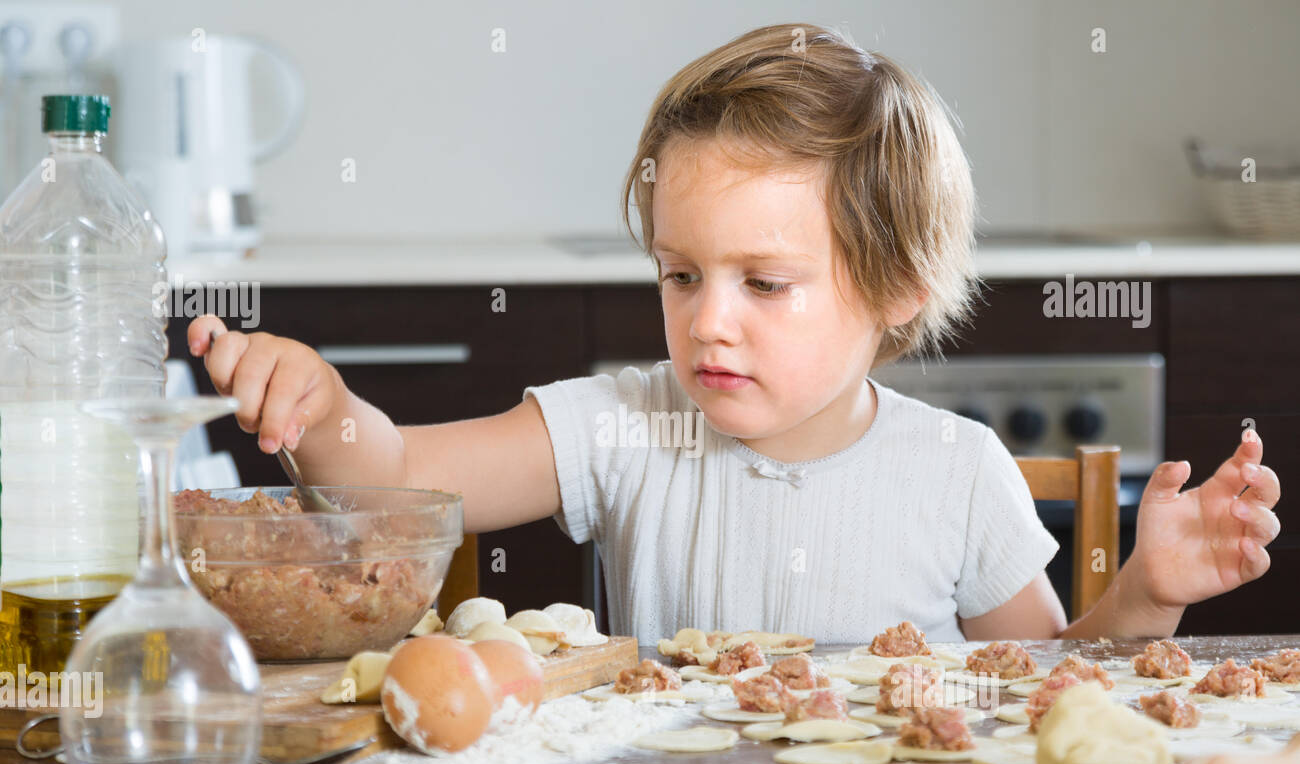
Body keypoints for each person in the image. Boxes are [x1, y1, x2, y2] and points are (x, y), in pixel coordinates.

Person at [185, 23, 1280, 646]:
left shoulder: (957, 474)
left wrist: (1145, 595)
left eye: (765, 281)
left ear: (896, 285)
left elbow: (1046, 689)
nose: (707, 318)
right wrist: (322, 411)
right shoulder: (626, 424)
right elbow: (399, 479)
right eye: (679, 273)